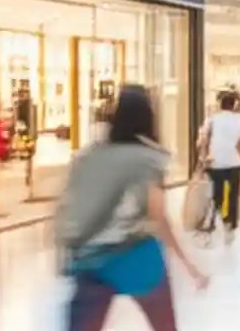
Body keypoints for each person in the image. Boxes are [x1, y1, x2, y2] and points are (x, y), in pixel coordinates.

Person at [56, 86, 208, 331]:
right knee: (164, 325)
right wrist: (188, 264)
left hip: (88, 257)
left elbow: (67, 206)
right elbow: (157, 215)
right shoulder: (148, 158)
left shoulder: (87, 156)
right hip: (135, 257)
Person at [196, 91, 240, 243]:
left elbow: (202, 139)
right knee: (233, 195)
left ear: (220, 105)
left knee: (216, 194)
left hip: (215, 162)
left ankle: (215, 221)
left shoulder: (212, 119)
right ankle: (231, 224)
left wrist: (203, 156)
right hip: (235, 162)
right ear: (234, 105)